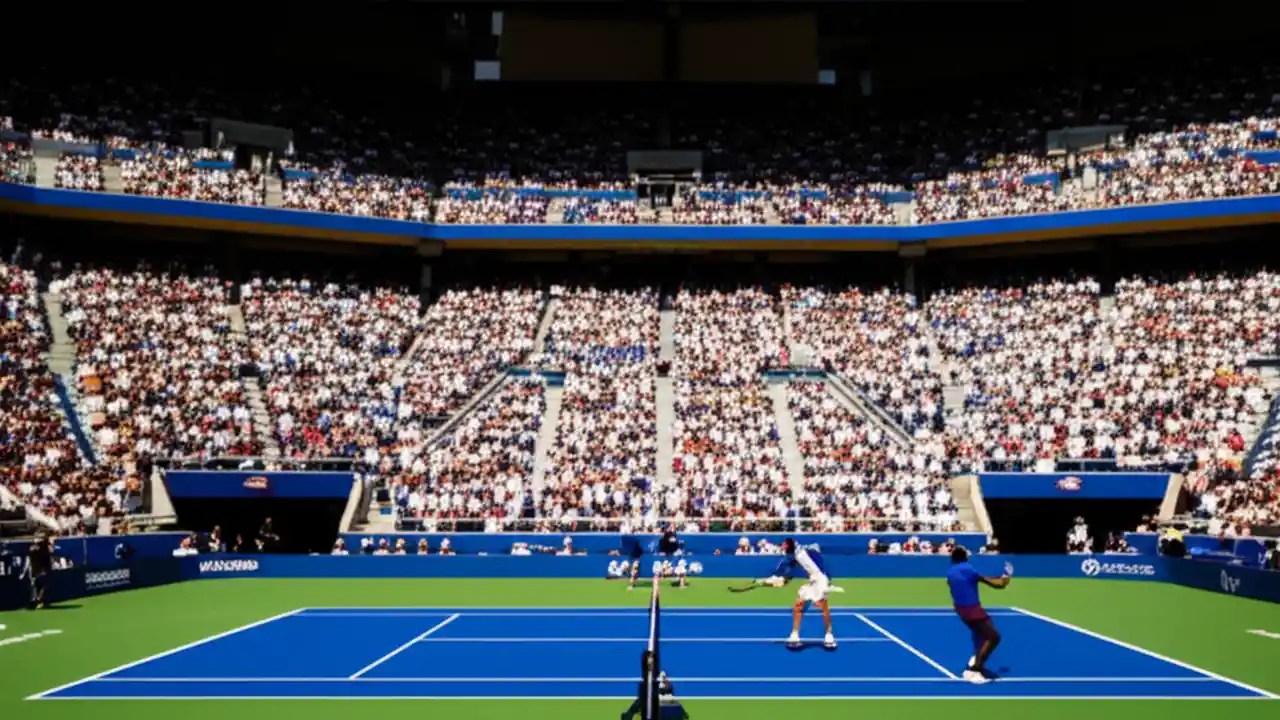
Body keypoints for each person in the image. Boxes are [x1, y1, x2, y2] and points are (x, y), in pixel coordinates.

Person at [946, 546, 1012, 684]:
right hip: (972, 610)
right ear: (964, 558)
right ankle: (975, 669)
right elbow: (994, 584)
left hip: (961, 609)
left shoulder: (951, 572)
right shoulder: (967, 569)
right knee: (994, 637)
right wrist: (1005, 579)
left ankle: (976, 657)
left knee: (983, 628)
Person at [771, 538, 836, 649]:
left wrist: (776, 576)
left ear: (789, 545)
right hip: (812, 580)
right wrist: (782, 577)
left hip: (821, 579)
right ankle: (794, 635)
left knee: (823, 606)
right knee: (798, 606)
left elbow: (784, 565)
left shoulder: (802, 552)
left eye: (784, 545)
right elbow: (788, 569)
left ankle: (829, 635)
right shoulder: (797, 555)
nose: (782, 548)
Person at [27, 535, 54, 609]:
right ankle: (37, 600)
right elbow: (47, 554)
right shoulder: (41, 549)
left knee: (39, 586)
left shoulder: (33, 548)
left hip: (37, 570)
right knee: (42, 586)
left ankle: (39, 601)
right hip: (40, 570)